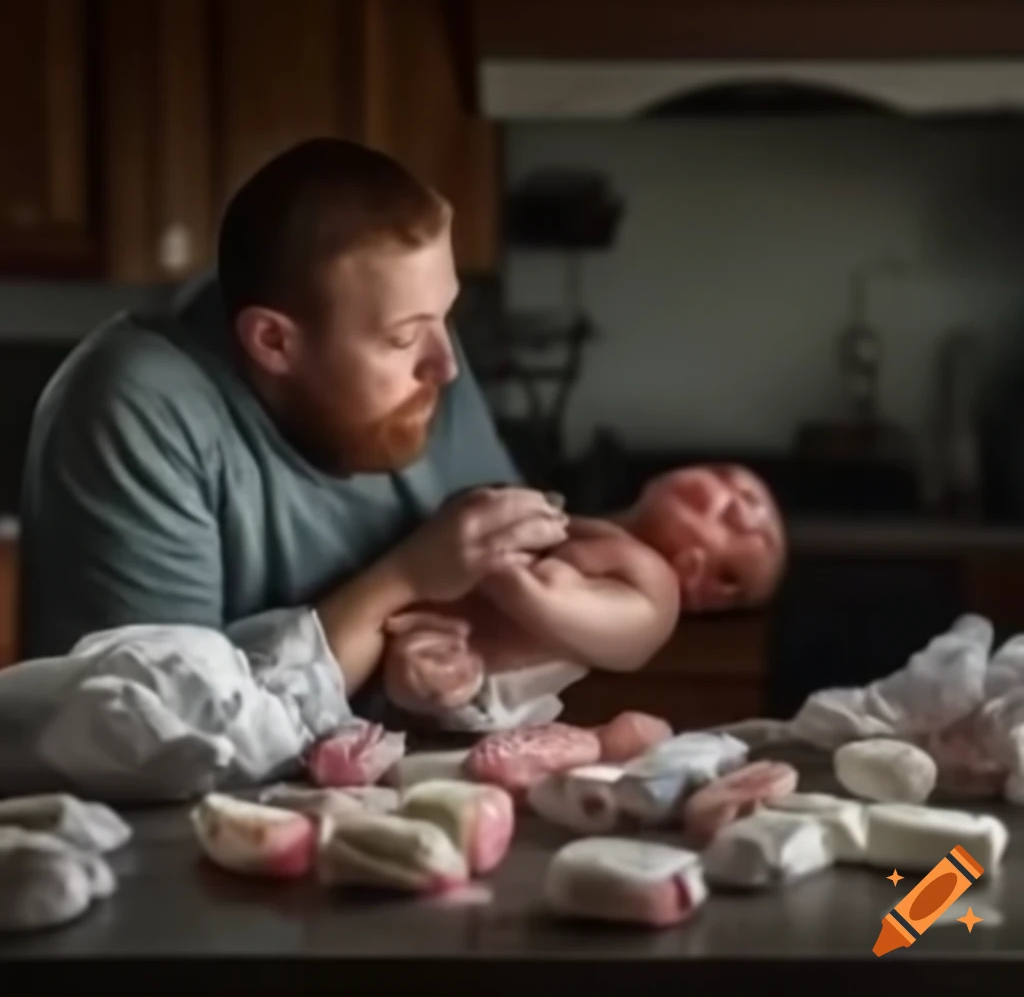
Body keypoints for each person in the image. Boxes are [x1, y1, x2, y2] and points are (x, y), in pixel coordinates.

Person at [18, 138, 570, 718]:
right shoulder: (139, 407)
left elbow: (508, 569)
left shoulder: (418, 359)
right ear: (274, 341)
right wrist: (407, 577)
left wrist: (635, 534)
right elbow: (159, 728)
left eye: (445, 316)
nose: (445, 365)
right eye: (404, 337)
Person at [383, 464, 786, 720]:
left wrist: (479, 542)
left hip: (439, 668)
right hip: (413, 603)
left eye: (736, 516)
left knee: (417, 676)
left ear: (708, 583)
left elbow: (543, 597)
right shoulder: (584, 523)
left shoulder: (656, 595)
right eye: (722, 474)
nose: (725, 490)